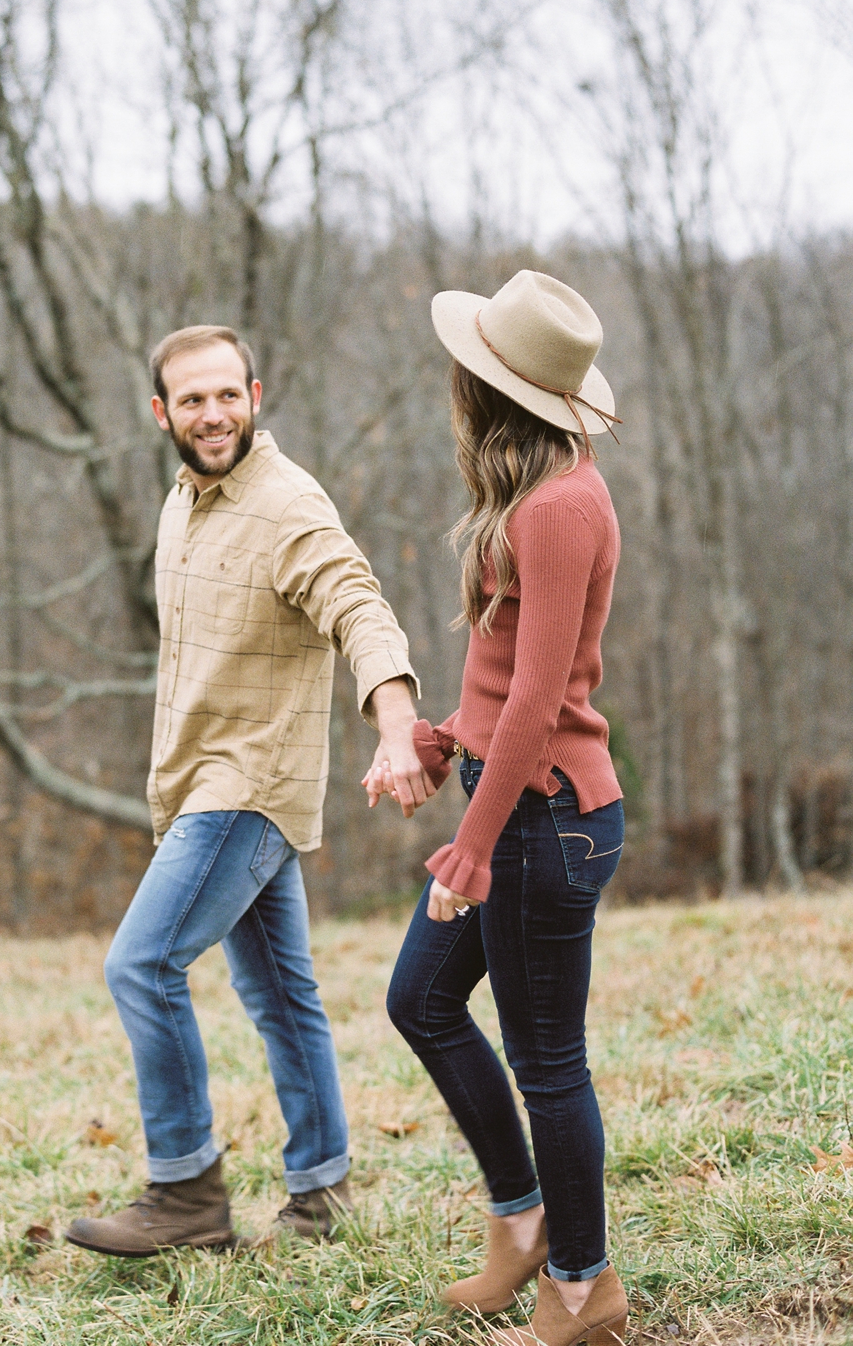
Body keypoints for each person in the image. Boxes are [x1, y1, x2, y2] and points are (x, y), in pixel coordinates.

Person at [67, 324, 431, 1258]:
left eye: (227, 394)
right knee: (280, 992)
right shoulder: (179, 506)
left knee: (140, 966)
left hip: (248, 787)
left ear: (255, 395)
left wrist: (395, 723)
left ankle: (185, 1192)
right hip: (196, 784)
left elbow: (359, 603)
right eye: (192, 399)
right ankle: (324, 1191)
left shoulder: (286, 504)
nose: (212, 412)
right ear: (163, 413)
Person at [373, 271, 629, 1345]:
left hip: (544, 821)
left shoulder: (563, 504)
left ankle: (583, 1286)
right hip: (510, 801)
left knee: (547, 1061)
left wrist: (470, 848)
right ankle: (522, 1223)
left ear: (493, 392)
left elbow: (541, 696)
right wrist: (439, 744)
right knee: (420, 1001)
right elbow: (504, 682)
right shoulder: (530, 500)